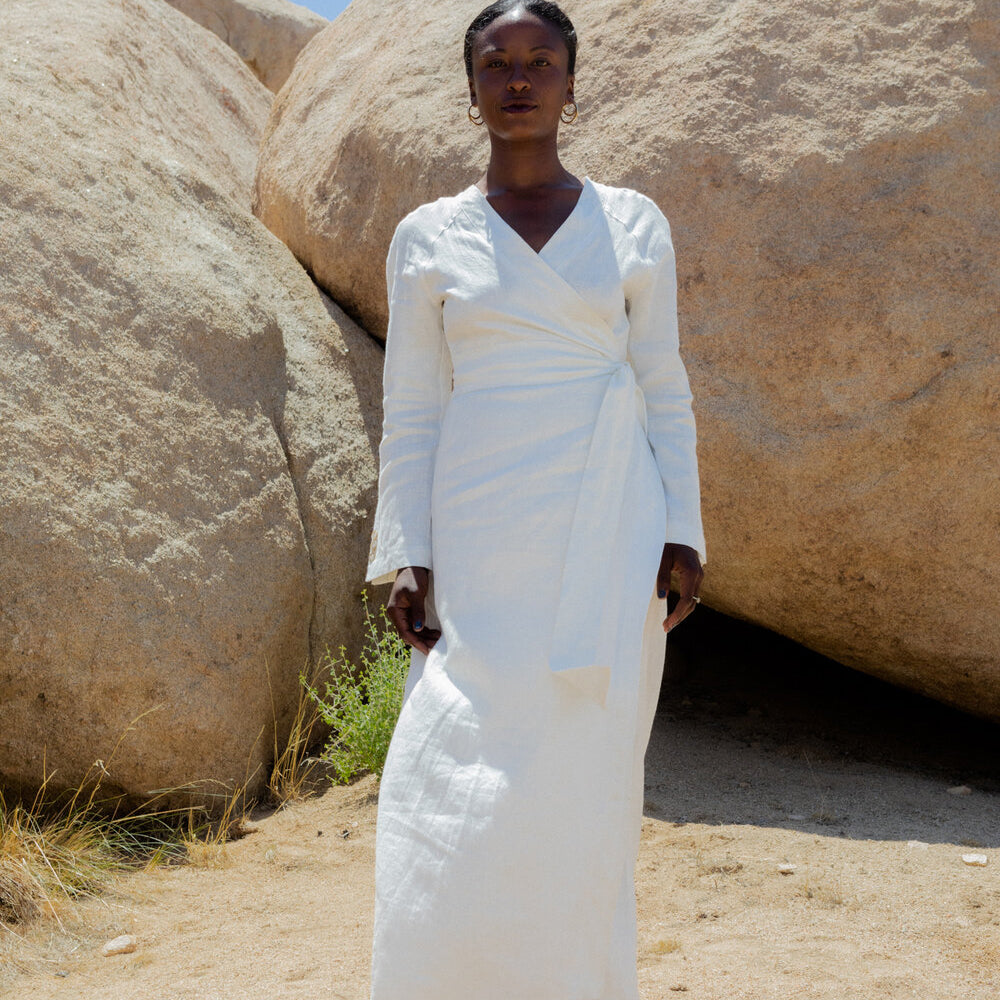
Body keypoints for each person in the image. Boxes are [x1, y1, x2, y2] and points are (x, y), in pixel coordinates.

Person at [364, 2, 705, 997]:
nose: (518, 79)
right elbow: (412, 407)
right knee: (446, 762)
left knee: (580, 780)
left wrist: (683, 529)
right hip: (479, 537)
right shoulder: (427, 236)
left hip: (608, 528)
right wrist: (407, 549)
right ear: (470, 87)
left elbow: (664, 385)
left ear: (570, 82)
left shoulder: (633, 223)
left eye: (540, 61)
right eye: (497, 63)